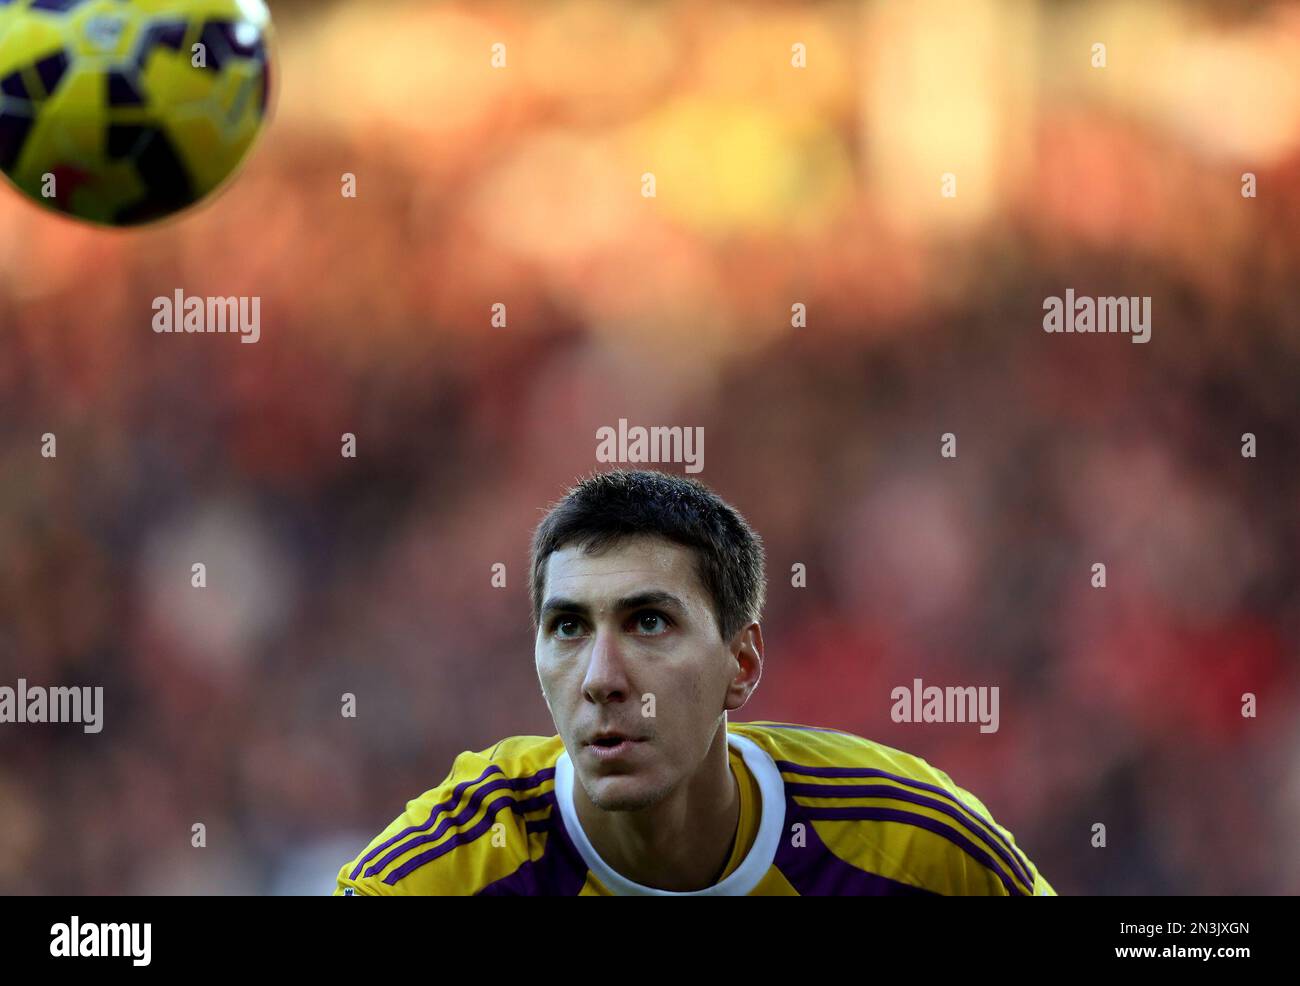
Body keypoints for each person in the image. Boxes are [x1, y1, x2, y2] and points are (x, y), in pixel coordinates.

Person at [335, 469, 1056, 895]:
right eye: (568, 627)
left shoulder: (910, 842)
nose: (601, 678)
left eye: (648, 623)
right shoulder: (453, 867)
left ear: (740, 666)